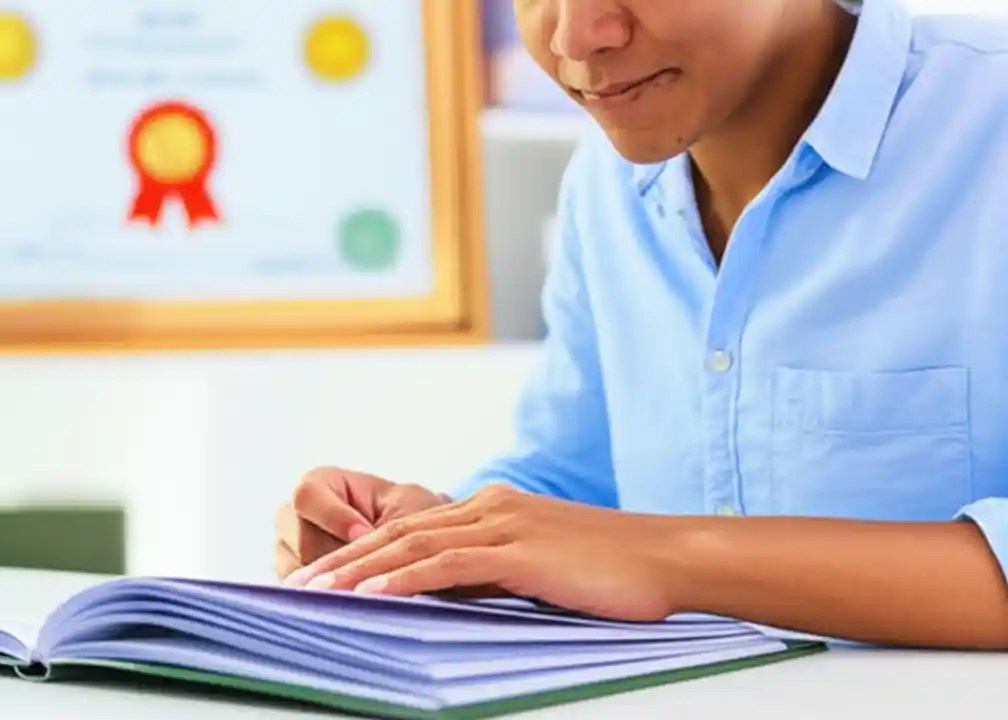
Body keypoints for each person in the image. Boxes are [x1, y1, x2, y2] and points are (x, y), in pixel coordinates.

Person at [274, 0, 1008, 649]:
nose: (574, 36)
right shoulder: (606, 184)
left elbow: (627, 546)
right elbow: (574, 478)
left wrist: (667, 560)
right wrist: (430, 538)